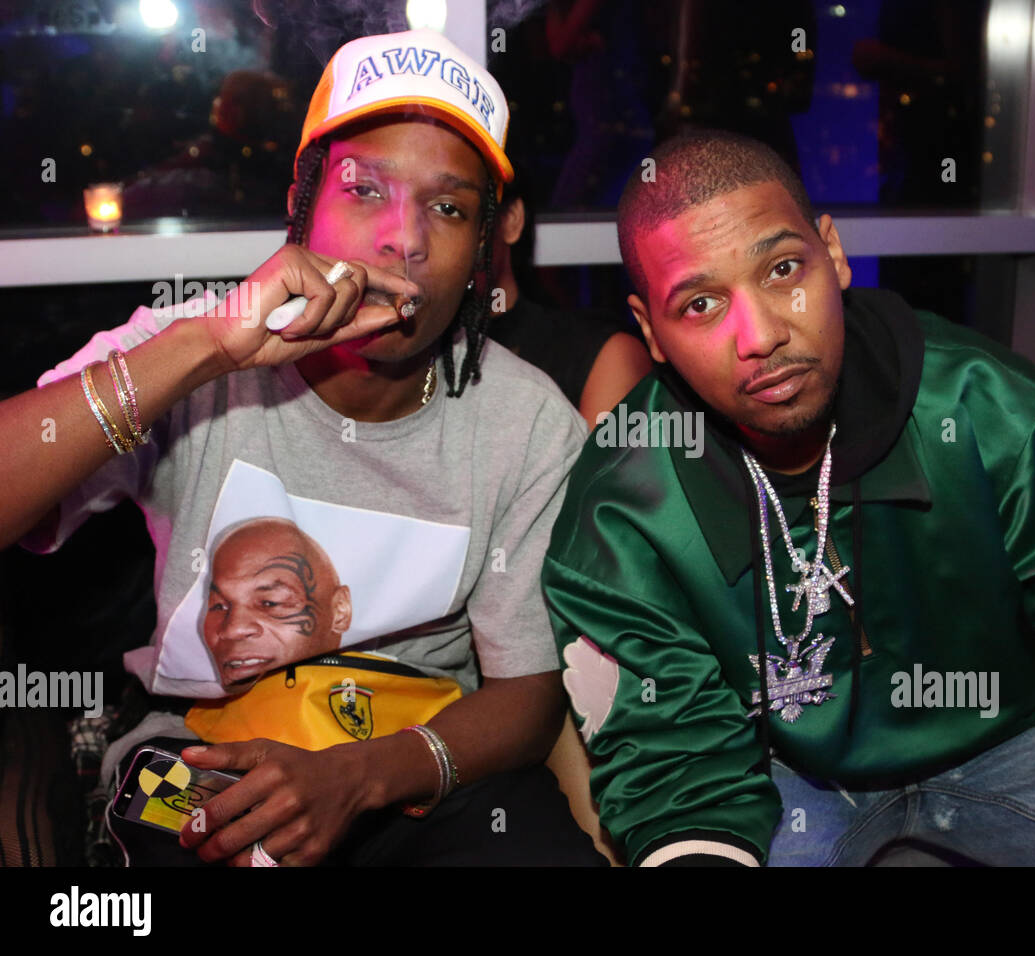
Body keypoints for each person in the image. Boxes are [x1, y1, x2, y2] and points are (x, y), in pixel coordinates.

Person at [542, 129, 1035, 867]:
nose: (761, 334)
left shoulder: (980, 405)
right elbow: (678, 773)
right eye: (701, 305)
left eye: (780, 271)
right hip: (780, 769)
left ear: (832, 253)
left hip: (1018, 732)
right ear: (652, 331)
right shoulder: (623, 505)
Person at [2, 28, 605, 866]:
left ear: (482, 253)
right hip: (197, 753)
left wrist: (361, 777)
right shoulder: (190, 349)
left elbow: (529, 694)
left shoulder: (527, 421)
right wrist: (206, 349)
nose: (406, 239)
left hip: (414, 762)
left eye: (449, 206)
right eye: (364, 189)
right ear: (304, 202)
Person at [486, 166, 652, 429]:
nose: (419, 236)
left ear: (511, 220)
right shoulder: (408, 357)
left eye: (450, 209)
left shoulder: (597, 354)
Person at [203, 517, 352, 691]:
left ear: (340, 611)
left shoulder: (374, 702)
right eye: (219, 606)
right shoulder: (195, 712)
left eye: (270, 603)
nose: (232, 629)